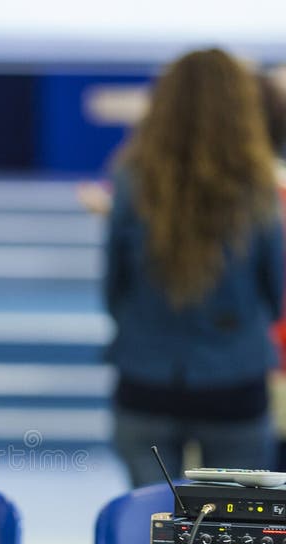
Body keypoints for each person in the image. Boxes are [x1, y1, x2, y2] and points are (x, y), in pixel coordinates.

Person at [104, 48, 284, 487]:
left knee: (151, 525)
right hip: (234, 379)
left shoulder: (131, 181)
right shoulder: (259, 185)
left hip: (145, 376)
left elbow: (113, 289)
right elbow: (275, 290)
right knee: (236, 535)